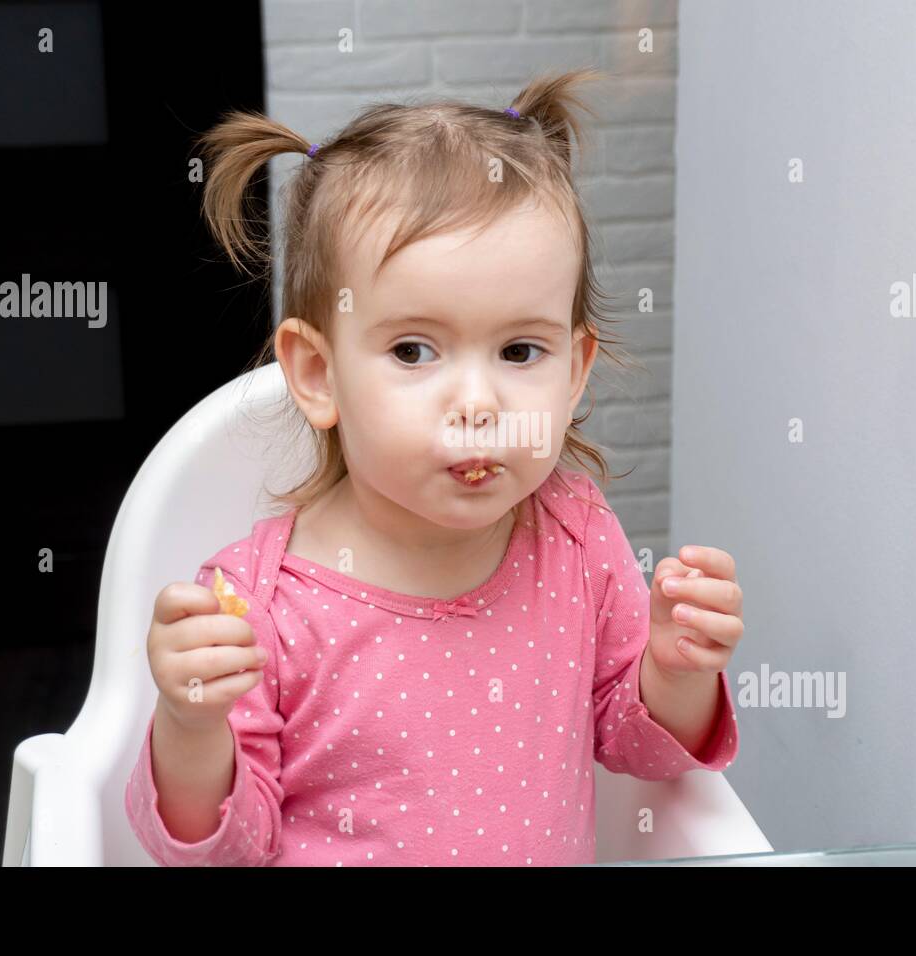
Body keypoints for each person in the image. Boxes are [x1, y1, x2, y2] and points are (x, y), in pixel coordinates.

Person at [124, 68, 746, 866]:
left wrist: (677, 668)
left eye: (521, 350)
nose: (478, 401)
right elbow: (224, 851)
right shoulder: (261, 608)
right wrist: (190, 724)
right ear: (318, 375)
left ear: (575, 369)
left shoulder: (576, 537)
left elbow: (643, 755)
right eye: (414, 350)